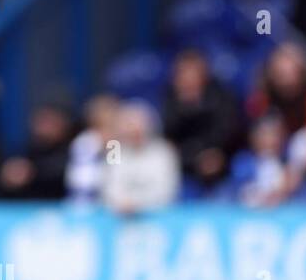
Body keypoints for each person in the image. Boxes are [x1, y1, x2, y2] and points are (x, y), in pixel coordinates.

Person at [161, 49, 239, 189]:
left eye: (193, 73)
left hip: (220, 162)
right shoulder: (168, 102)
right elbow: (168, 140)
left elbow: (229, 135)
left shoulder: (221, 99)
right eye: (184, 73)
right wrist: (184, 109)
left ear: (204, 75)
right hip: (183, 167)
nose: (188, 79)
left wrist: (215, 155)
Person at [102, 101, 180, 216]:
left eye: (139, 127)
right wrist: (122, 203)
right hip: (119, 216)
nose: (134, 132)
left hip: (157, 216)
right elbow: (108, 185)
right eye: (130, 127)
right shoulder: (114, 149)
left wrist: (138, 204)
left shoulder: (164, 151)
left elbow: (167, 189)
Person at [0, 102, 74, 200]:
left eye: (50, 122)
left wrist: (33, 171)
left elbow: (64, 169)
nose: (43, 128)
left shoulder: (75, 147)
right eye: (40, 122)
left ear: (63, 124)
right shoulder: (27, 150)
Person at [65, 93, 120, 207]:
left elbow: (115, 174)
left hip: (110, 205)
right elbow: (82, 179)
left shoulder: (114, 143)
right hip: (83, 203)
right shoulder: (84, 141)